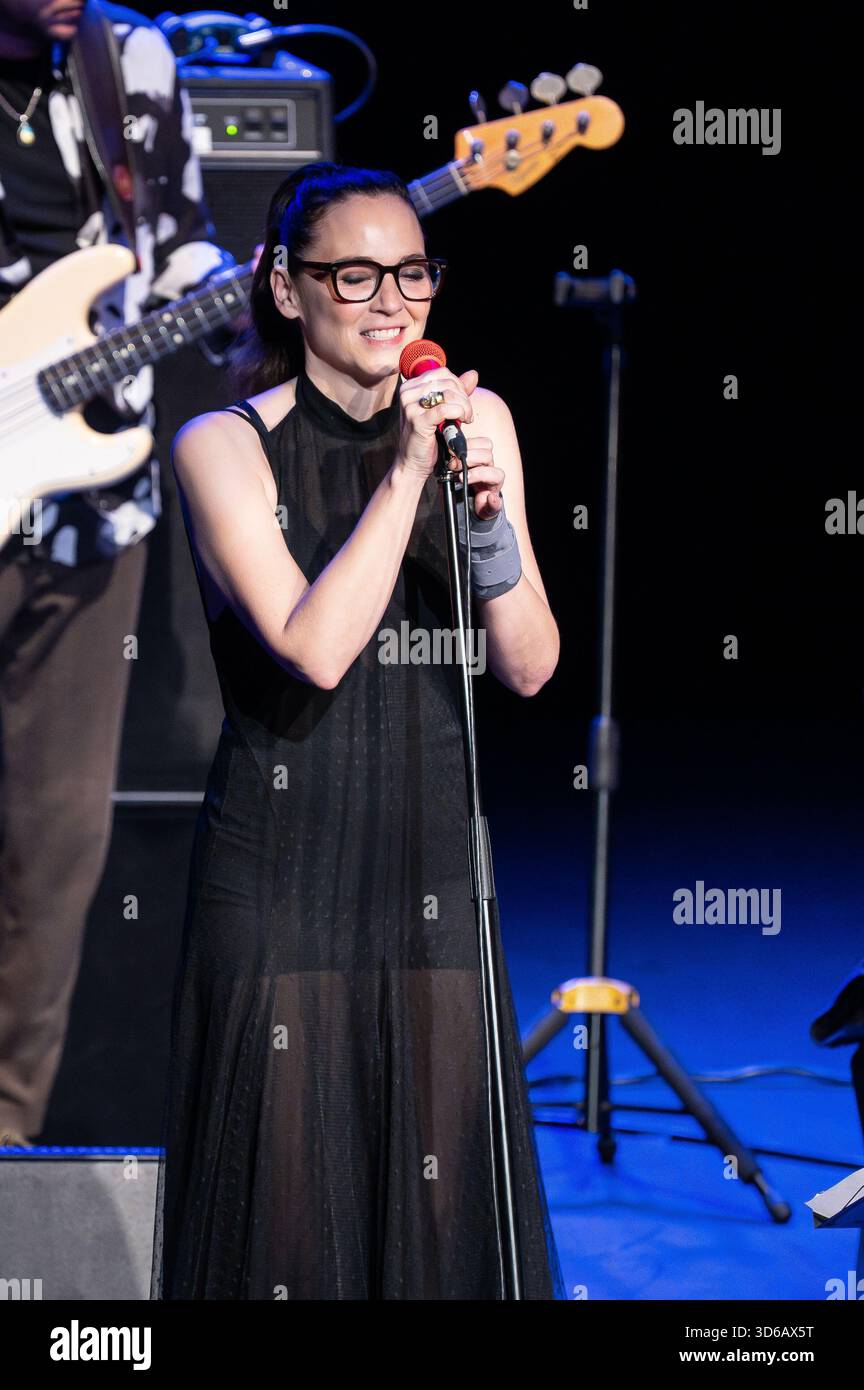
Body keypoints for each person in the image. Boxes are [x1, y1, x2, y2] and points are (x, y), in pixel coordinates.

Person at [150, 160, 565, 1299]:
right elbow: (314, 645)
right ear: (287, 288)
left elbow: (529, 664)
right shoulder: (222, 443)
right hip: (282, 867)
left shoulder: (480, 422)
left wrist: (484, 522)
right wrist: (403, 478)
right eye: (356, 274)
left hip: (427, 859)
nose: (392, 302)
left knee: (431, 1225)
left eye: (414, 273)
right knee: (289, 1223)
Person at [0, 0, 238, 1148]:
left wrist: (241, 303)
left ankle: (7, 1150)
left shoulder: (123, 53)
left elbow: (177, 235)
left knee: (54, 850)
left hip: (93, 510)